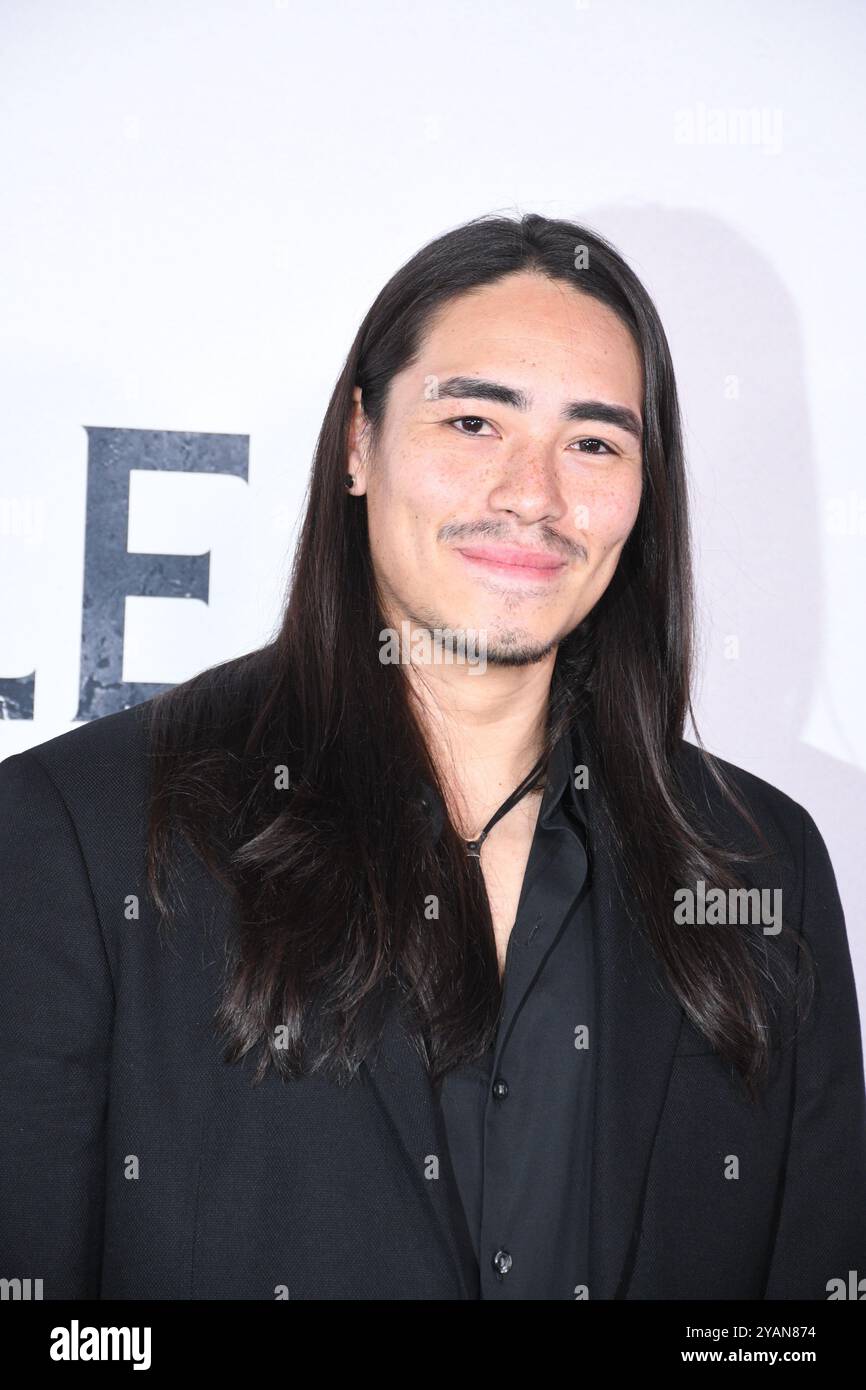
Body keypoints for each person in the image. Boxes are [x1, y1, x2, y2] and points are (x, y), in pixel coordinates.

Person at [1, 213, 864, 1301]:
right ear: (358, 442)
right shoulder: (84, 831)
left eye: (593, 442)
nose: (531, 495)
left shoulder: (757, 865)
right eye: (470, 422)